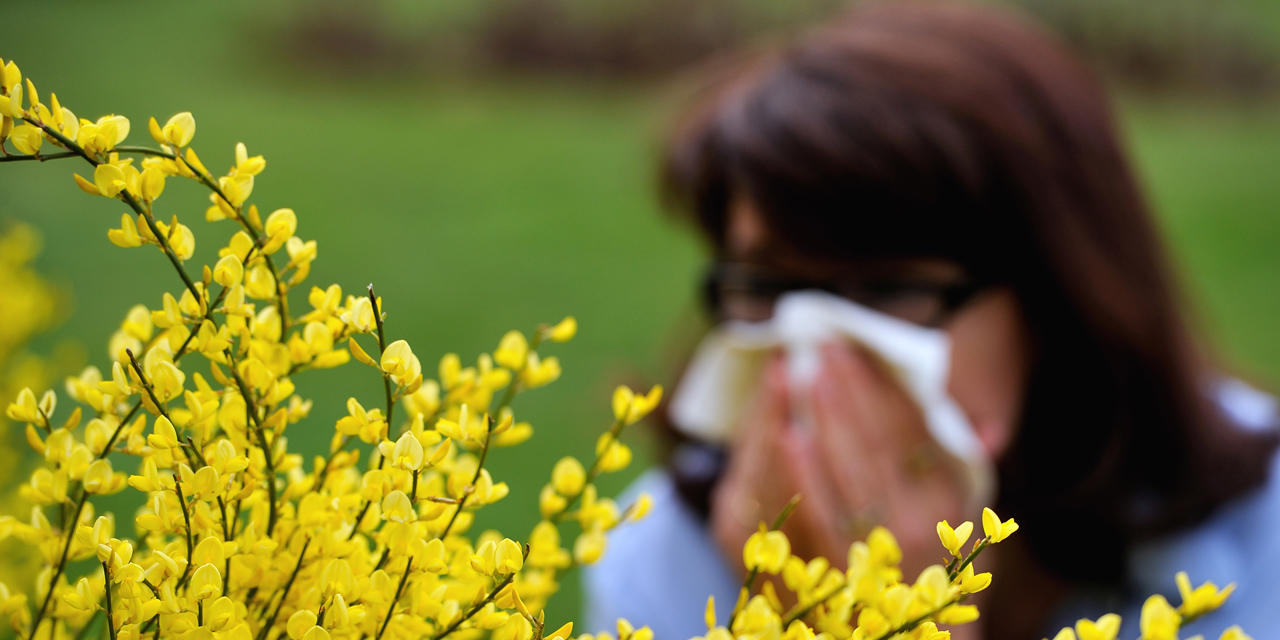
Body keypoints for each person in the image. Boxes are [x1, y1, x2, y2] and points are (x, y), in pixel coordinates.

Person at [583, 2, 1280, 639]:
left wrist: (909, 619)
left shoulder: (1264, 546)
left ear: (1055, 300)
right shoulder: (665, 562)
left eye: (889, 288)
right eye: (768, 286)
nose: (818, 347)